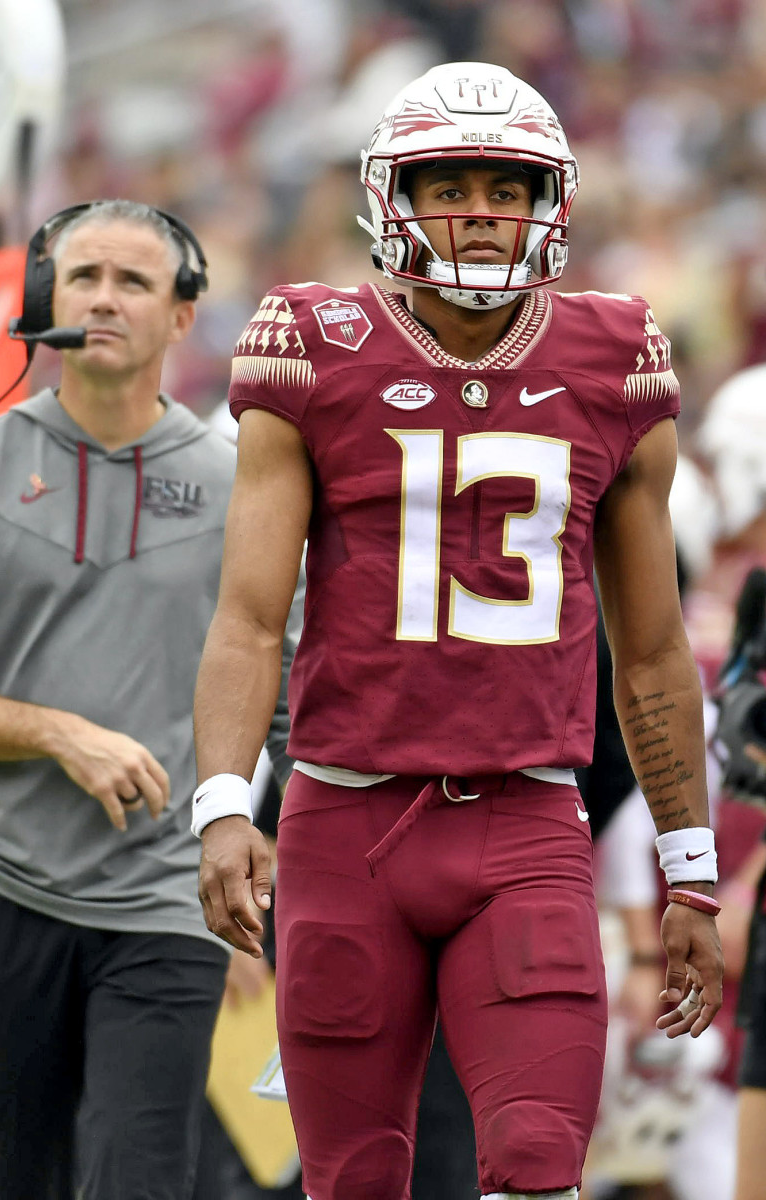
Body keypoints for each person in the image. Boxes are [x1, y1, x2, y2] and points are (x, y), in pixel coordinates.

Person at [191, 62, 724, 1200]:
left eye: (506, 183)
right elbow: (247, 615)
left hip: (526, 821)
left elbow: (655, 654)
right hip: (343, 820)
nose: (479, 208)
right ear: (395, 197)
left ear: (551, 203)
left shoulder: (614, 354)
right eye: (449, 183)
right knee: (354, 1180)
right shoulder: (311, 340)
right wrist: (227, 804)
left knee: (540, 1168)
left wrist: (691, 871)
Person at [0, 199, 292, 1200]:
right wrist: (59, 734)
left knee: (138, 1178)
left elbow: (294, 701)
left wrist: (270, 861)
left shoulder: (248, 491)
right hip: (5, 885)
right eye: (84, 277)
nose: (103, 298)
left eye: (133, 281)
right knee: (17, 1179)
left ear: (184, 316)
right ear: (44, 301)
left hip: (169, 902)